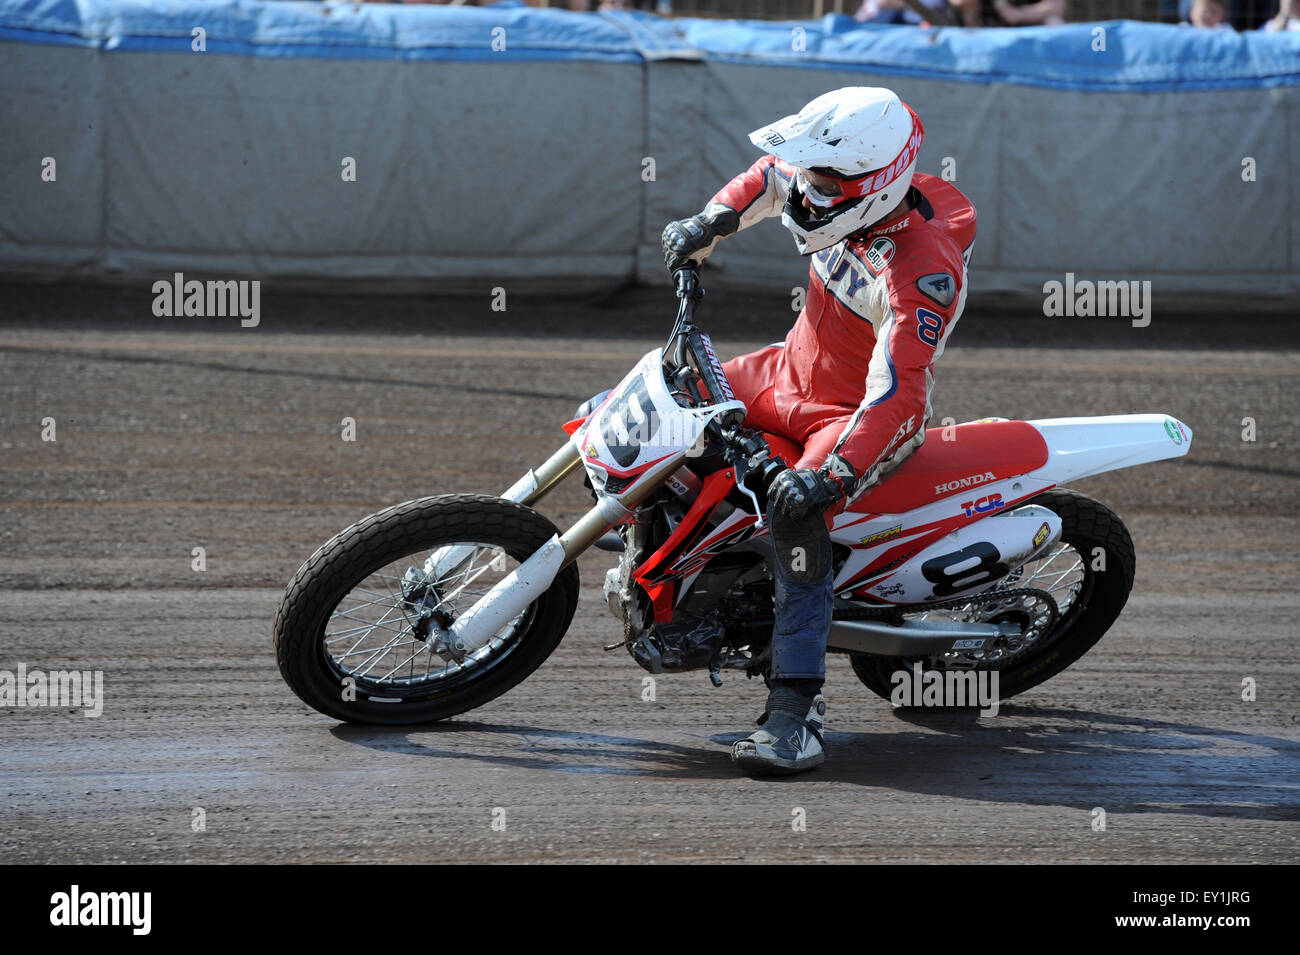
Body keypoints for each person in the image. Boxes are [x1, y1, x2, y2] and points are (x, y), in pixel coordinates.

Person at [661, 87, 975, 775]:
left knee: (794, 516)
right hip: (785, 373)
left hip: (854, 417)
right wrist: (708, 222)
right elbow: (770, 177)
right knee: (658, 397)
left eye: (824, 181)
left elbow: (895, 396)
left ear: (875, 184)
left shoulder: (920, 275)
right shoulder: (832, 194)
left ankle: (797, 711)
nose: (806, 190)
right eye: (811, 174)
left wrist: (829, 475)